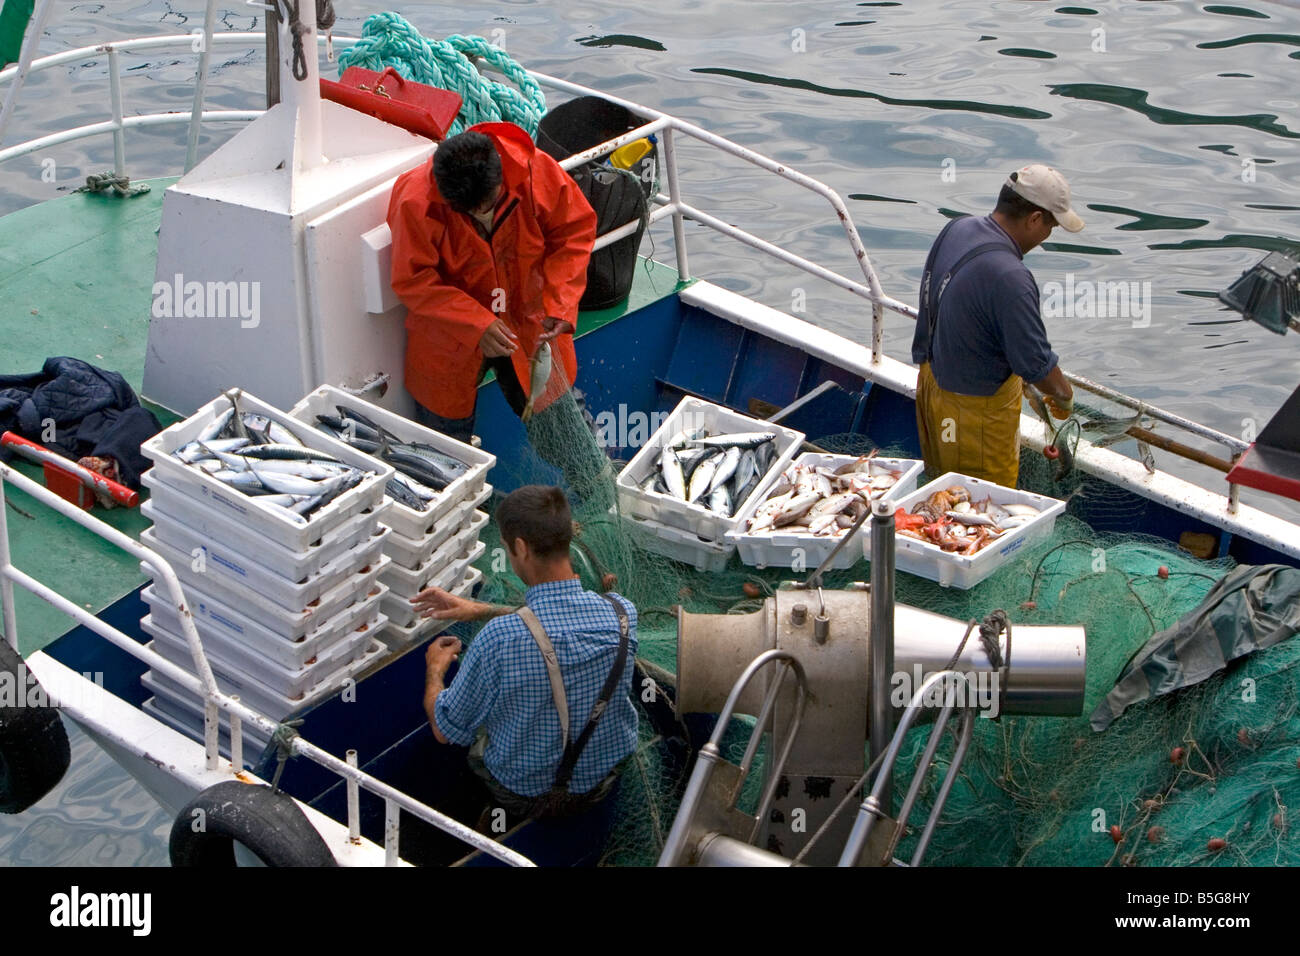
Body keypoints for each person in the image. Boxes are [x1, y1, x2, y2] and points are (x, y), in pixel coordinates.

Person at [417, 485, 638, 822]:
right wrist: (478, 609)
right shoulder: (623, 613)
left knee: (468, 729)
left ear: (520, 548)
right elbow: (555, 626)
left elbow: (444, 730)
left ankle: (494, 824)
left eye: (505, 548)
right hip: (603, 778)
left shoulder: (498, 641)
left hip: (523, 792)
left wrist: (435, 671)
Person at [911, 164, 1082, 487]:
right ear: (1034, 219)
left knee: (944, 490)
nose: (1047, 236)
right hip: (973, 416)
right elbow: (1035, 363)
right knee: (982, 510)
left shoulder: (957, 228)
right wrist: (1063, 396)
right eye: (1051, 227)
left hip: (932, 388)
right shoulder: (1011, 277)